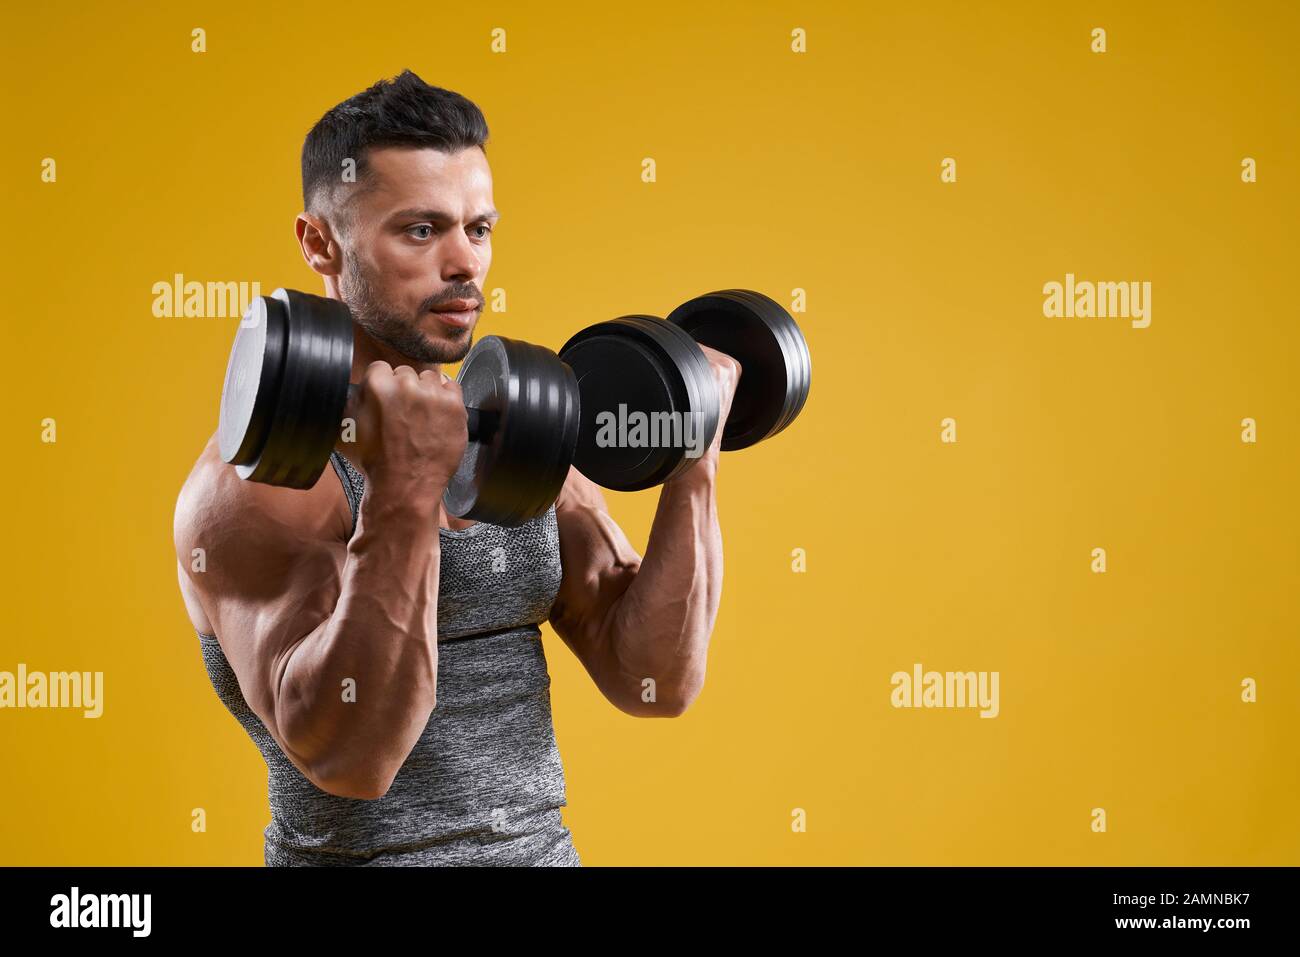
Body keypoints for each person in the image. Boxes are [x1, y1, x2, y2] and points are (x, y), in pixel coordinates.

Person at [173, 70, 739, 866]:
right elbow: (352, 758)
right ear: (319, 242)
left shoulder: (513, 431)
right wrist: (403, 487)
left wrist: (693, 454)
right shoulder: (257, 487)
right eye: (419, 230)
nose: (464, 262)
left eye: (479, 227)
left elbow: (651, 678)